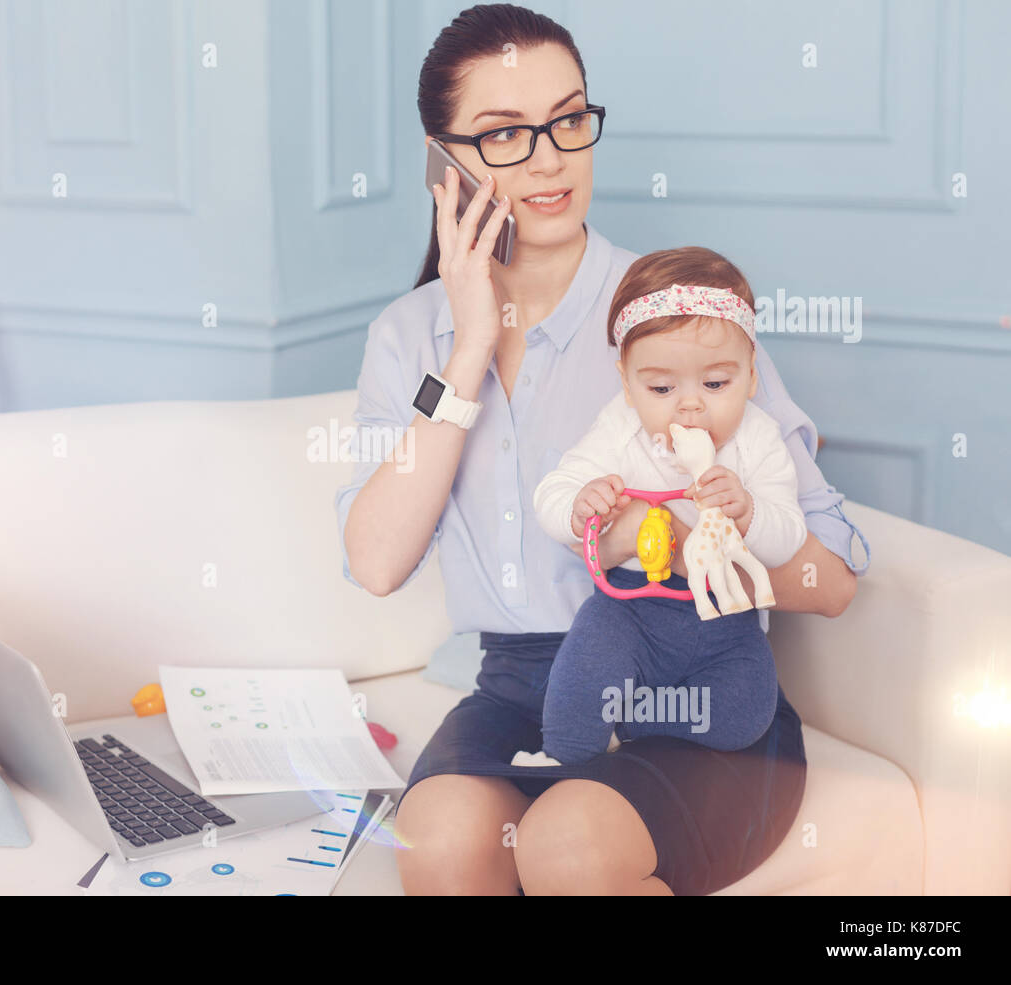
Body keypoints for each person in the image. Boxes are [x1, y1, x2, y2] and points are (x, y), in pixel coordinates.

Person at [334, 4, 870, 895]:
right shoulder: (409, 338)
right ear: (444, 161)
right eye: (505, 133)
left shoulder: (679, 316)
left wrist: (693, 529)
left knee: (569, 842)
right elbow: (378, 560)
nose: (549, 158)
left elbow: (836, 580)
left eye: (569, 119)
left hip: (694, 686)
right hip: (518, 688)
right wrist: (468, 348)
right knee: (437, 840)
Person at [516, 248, 807, 769]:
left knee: (745, 713)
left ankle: (633, 725)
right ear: (627, 385)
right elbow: (551, 493)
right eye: (661, 388)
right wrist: (580, 507)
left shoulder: (759, 440)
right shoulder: (619, 430)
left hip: (726, 619)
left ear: (752, 378)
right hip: (632, 607)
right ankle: (566, 752)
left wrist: (749, 512)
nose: (690, 405)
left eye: (716, 384)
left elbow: (787, 538)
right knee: (583, 673)